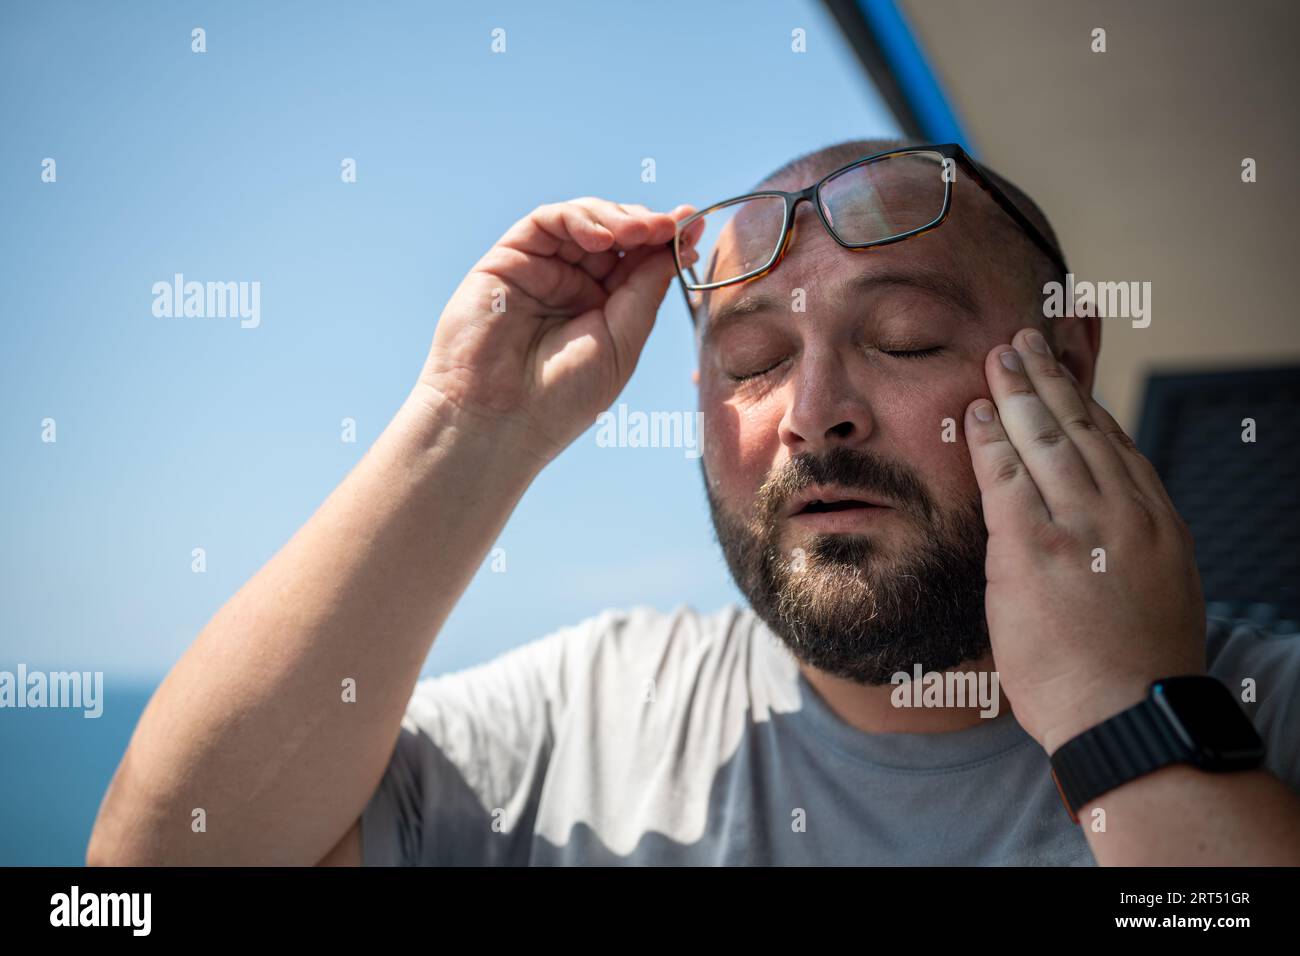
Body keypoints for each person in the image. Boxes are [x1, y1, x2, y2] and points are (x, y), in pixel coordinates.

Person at [87, 138, 1300, 866]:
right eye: (749, 362)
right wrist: (471, 425)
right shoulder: (584, 718)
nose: (812, 409)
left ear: (1067, 366)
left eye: (904, 336)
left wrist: (1124, 722)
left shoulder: (1273, 713)